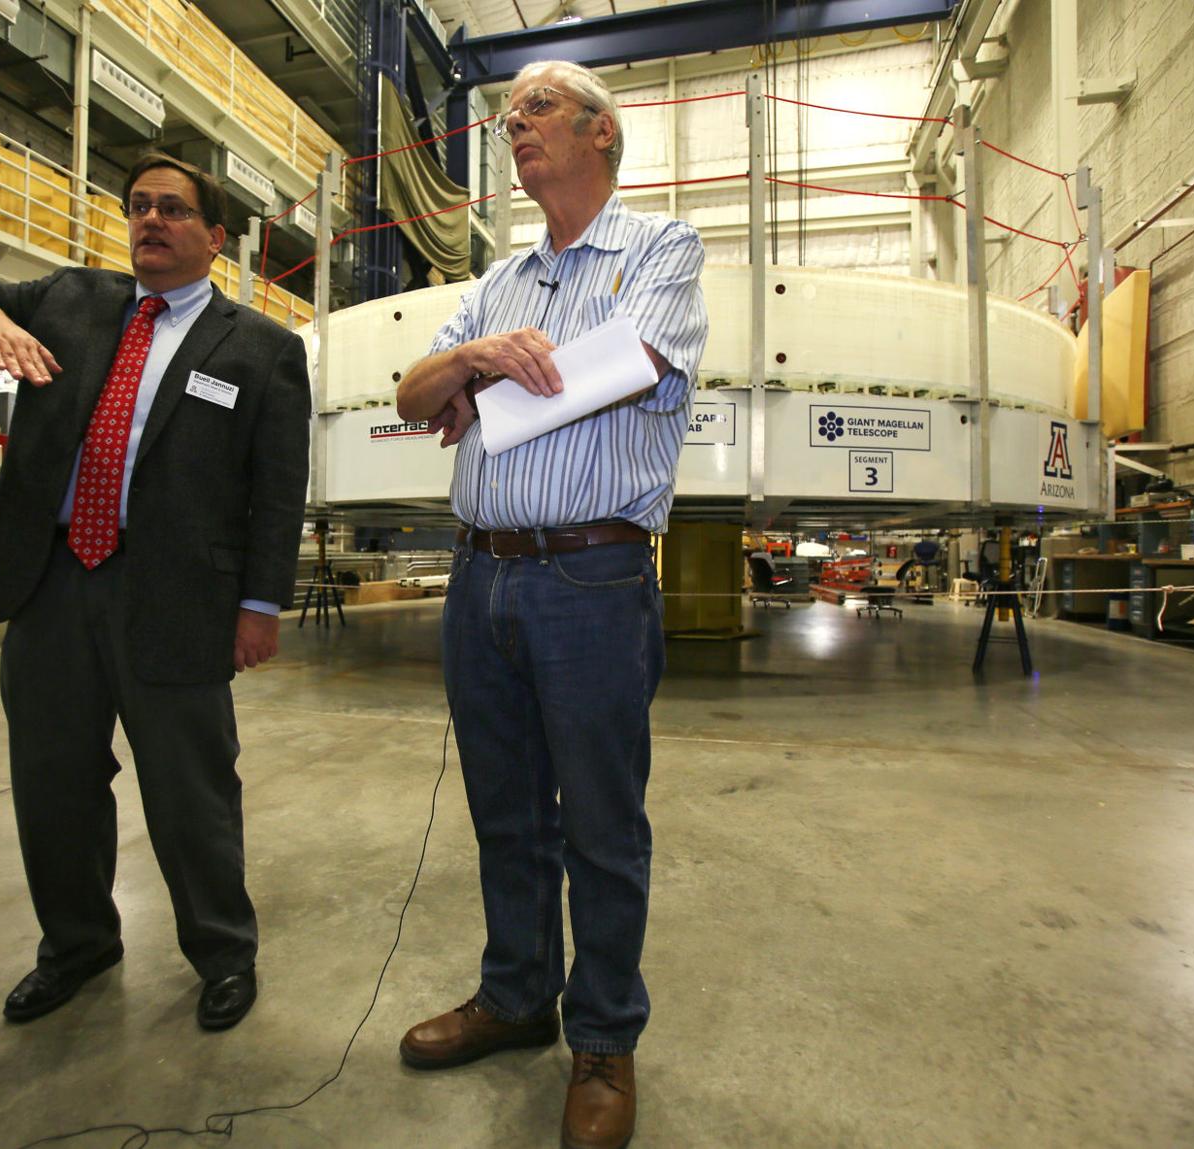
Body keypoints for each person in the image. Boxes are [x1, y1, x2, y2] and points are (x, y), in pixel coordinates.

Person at [0, 153, 310, 1031]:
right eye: (138, 206)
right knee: (52, 780)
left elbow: (278, 489)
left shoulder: (262, 349)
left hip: (177, 596)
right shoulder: (70, 301)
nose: (150, 221)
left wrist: (259, 604)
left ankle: (222, 952)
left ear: (214, 236)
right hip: (53, 583)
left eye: (173, 209)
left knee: (189, 790)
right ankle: (78, 944)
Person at [393, 60, 707, 1149]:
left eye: (533, 110)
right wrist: (473, 359)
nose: (511, 126)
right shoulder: (496, 282)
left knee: (602, 828)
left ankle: (604, 1039)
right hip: (479, 573)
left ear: (599, 136)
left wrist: (485, 396)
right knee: (506, 815)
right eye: (505, 113)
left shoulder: (661, 248)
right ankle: (516, 998)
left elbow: (631, 363)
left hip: (591, 578)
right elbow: (409, 393)